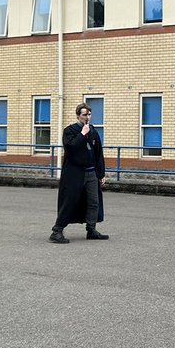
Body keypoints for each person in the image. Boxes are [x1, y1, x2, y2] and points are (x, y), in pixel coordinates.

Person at [50, 102, 107, 243]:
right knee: (70, 201)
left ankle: (91, 229)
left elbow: (98, 153)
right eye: (84, 115)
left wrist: (101, 173)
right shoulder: (70, 131)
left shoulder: (93, 131)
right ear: (78, 116)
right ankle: (57, 231)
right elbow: (71, 148)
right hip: (75, 173)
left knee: (94, 202)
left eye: (89, 114)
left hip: (91, 172)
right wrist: (82, 134)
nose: (87, 117)